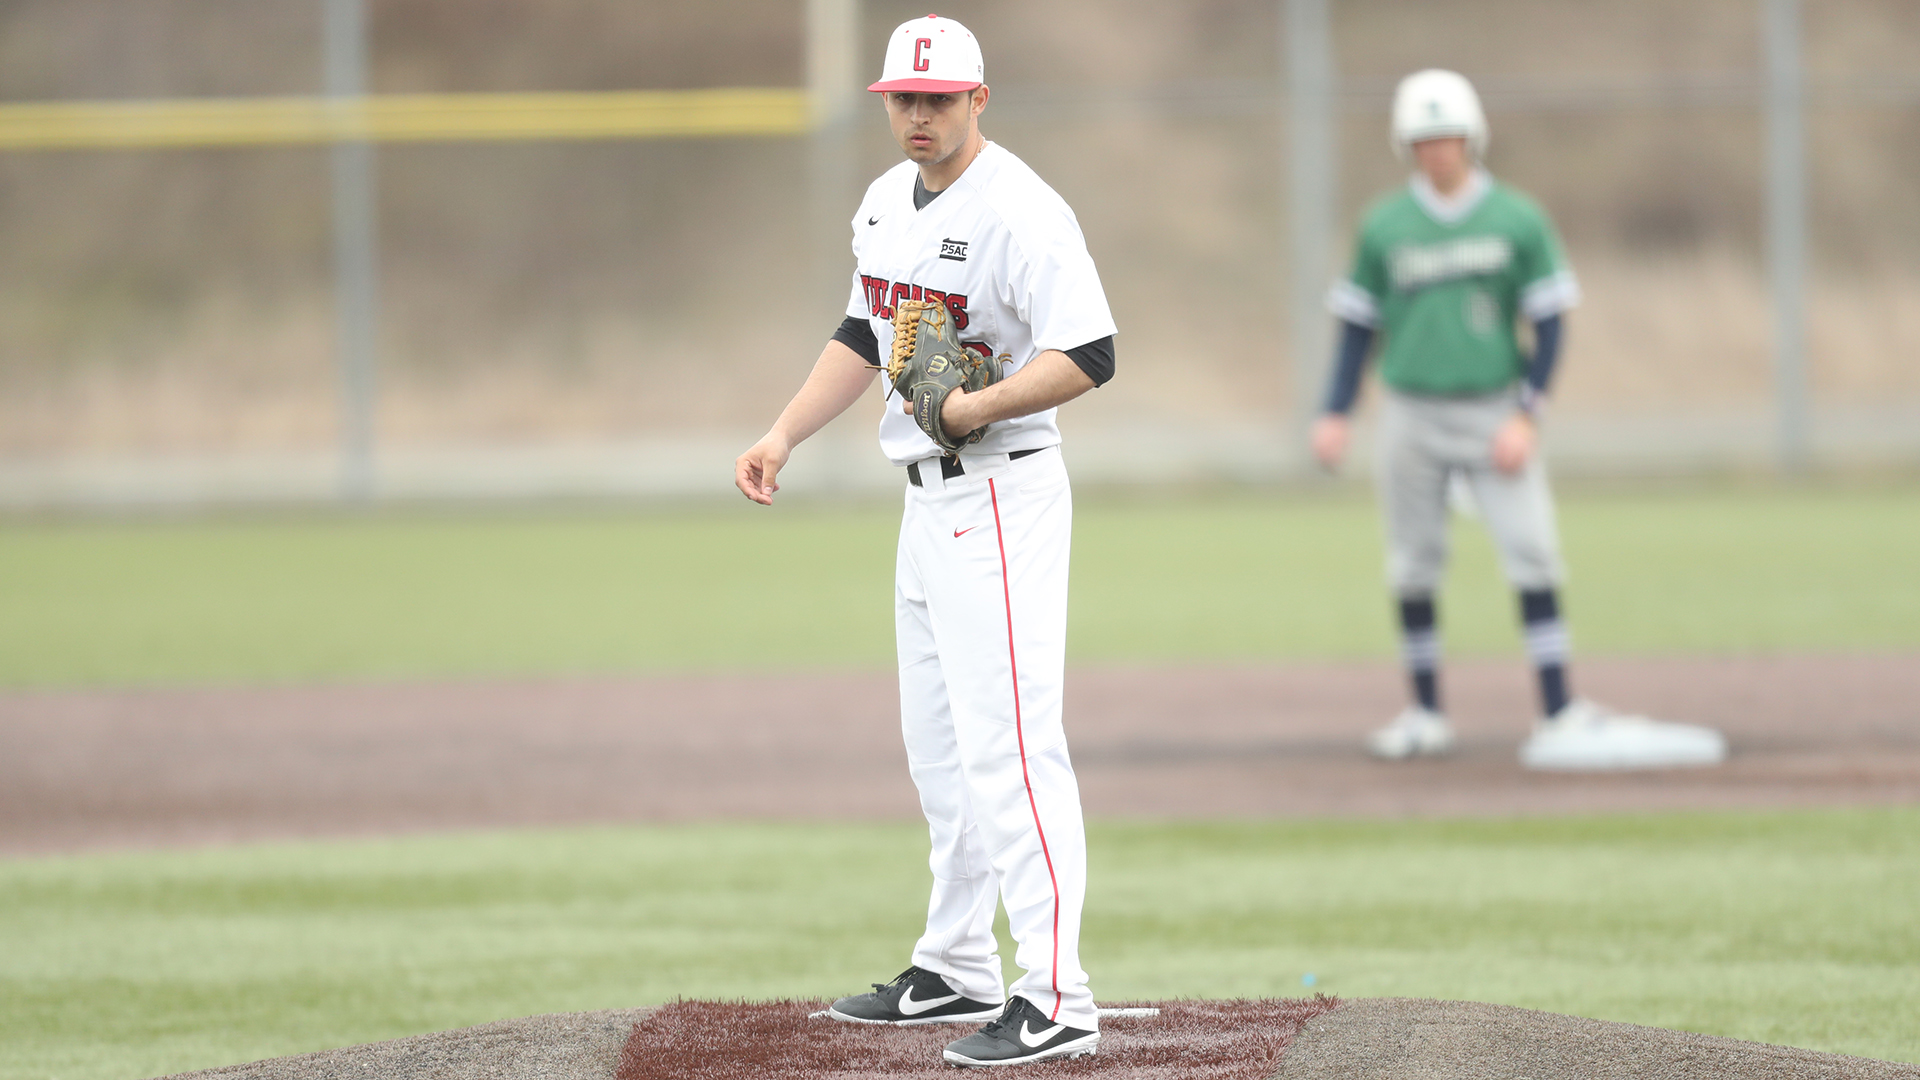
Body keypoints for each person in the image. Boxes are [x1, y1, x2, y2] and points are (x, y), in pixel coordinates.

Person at [733, 14, 1115, 1067]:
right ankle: (955, 966)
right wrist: (784, 432)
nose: (917, 114)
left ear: (977, 101)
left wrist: (974, 408)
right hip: (925, 499)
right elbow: (863, 330)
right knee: (941, 752)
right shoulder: (882, 204)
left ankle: (1057, 995)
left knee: (1011, 752)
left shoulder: (1023, 212)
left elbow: (1090, 350)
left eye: (937, 99)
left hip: (1000, 491)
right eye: (903, 97)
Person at [1312, 69, 1725, 771]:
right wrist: (1335, 410)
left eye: (1448, 139)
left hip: (1491, 406)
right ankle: (1426, 713)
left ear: (1472, 140)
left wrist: (1528, 414)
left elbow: (1550, 320)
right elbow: (1359, 326)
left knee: (1532, 548)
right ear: (1405, 147)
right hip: (1411, 408)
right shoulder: (1385, 225)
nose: (1437, 152)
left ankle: (1558, 705)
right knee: (1412, 563)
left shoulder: (1516, 218)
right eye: (1423, 141)